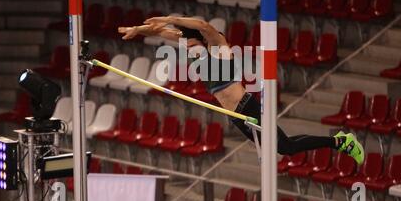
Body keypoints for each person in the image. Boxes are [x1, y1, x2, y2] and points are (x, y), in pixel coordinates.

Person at [118, 16, 364, 164]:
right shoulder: (191, 43)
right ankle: (337, 142)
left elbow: (202, 24)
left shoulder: (217, 43)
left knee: (285, 147)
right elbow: (160, 31)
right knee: (282, 147)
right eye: (187, 43)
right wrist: (138, 30)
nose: (186, 46)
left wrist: (169, 18)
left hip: (247, 106)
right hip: (235, 115)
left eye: (191, 42)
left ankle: (340, 142)